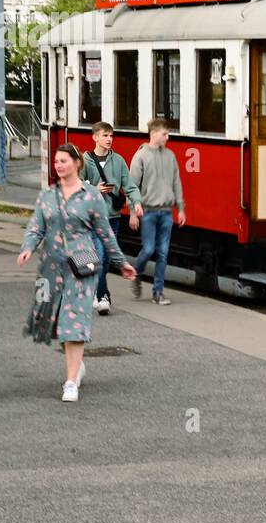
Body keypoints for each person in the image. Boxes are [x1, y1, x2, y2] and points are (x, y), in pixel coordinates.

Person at [18, 143, 136, 403]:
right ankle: (77, 364)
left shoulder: (91, 196)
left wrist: (120, 262)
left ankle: (71, 381)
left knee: (74, 321)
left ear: (76, 163)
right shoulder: (47, 196)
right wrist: (27, 248)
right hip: (51, 265)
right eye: (56, 161)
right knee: (54, 322)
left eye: (64, 161)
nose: (59, 165)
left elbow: (105, 233)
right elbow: (35, 227)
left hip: (83, 262)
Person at [79, 122, 143, 316]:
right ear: (95, 137)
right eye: (105, 135)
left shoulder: (119, 161)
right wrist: (94, 189)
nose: (109, 139)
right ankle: (103, 296)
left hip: (113, 217)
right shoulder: (85, 160)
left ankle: (93, 289)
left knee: (106, 259)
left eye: (111, 136)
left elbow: (130, 185)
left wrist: (136, 202)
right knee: (98, 255)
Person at [128, 118, 186, 305]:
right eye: (164, 134)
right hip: (148, 212)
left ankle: (157, 292)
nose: (168, 137)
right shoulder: (141, 156)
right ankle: (136, 273)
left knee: (163, 253)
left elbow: (176, 182)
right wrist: (132, 212)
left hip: (166, 212)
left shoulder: (170, 156)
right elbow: (132, 186)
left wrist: (181, 208)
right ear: (153, 134)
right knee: (149, 249)